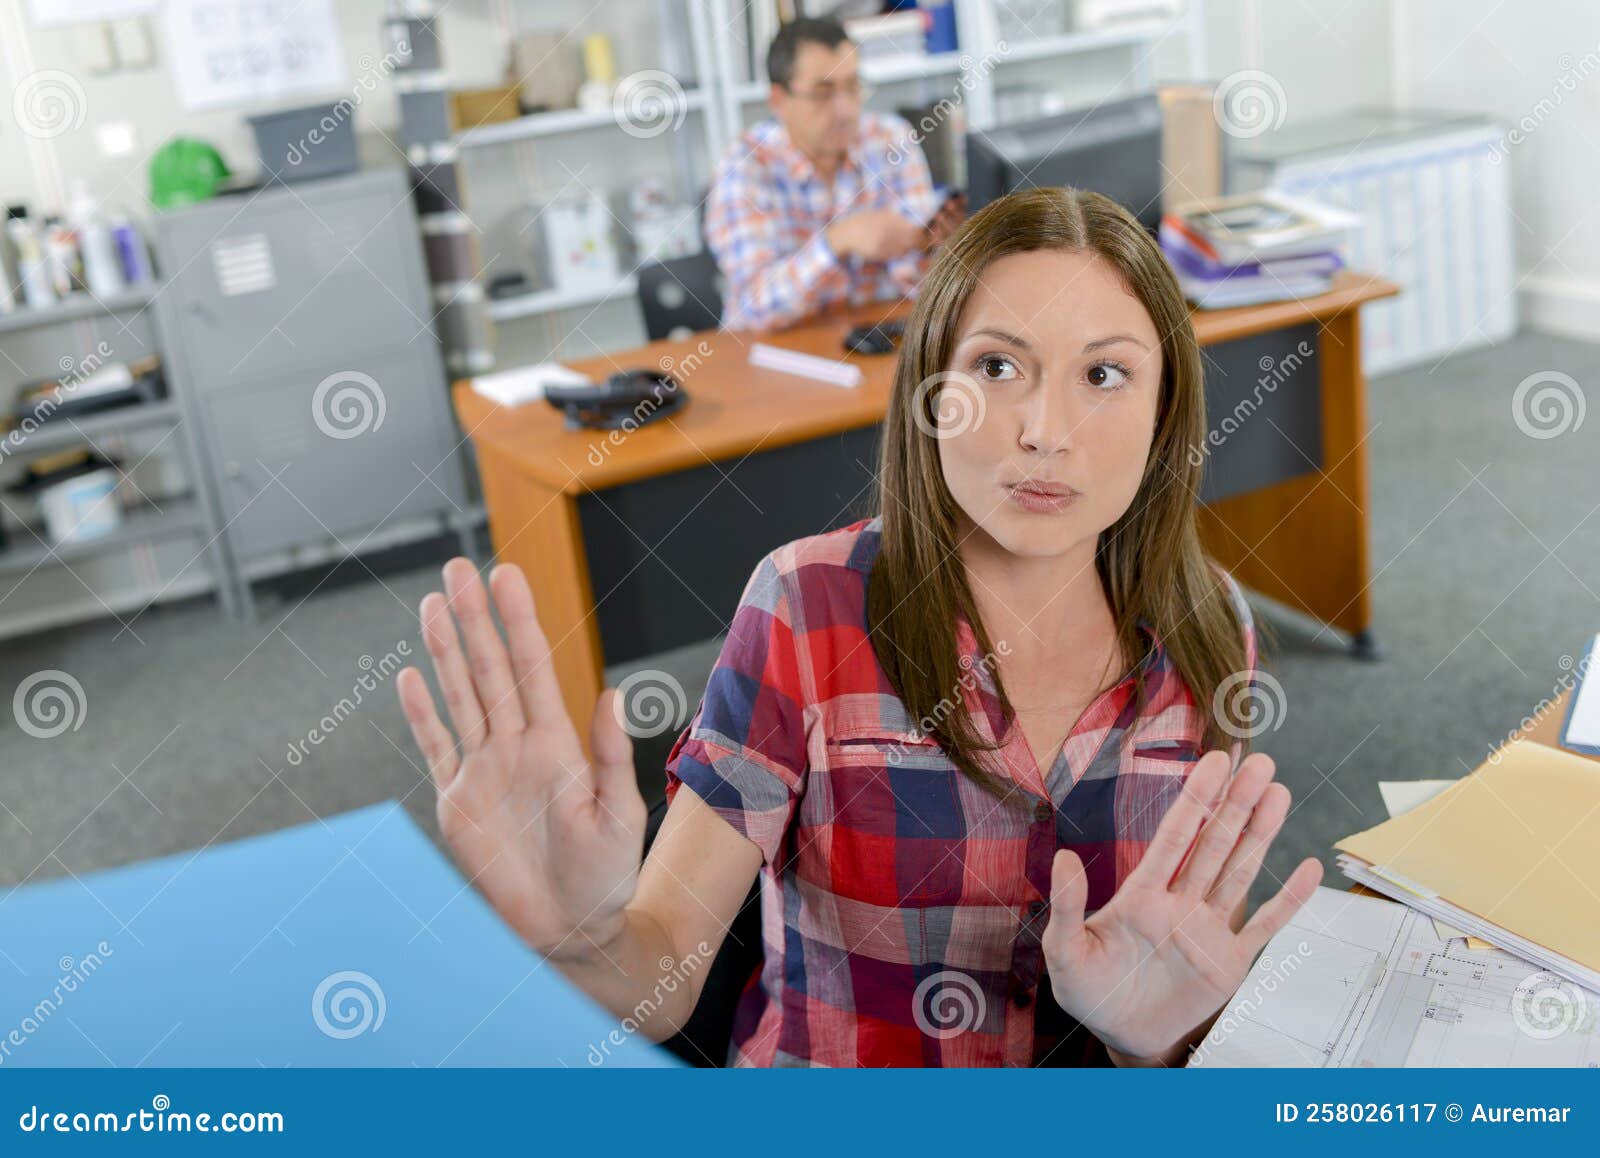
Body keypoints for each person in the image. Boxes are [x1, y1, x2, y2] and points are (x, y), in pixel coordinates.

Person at [396, 186, 1324, 1068]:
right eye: (997, 366)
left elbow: (1175, 973)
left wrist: (1153, 1045)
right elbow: (664, 975)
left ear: (1166, 417)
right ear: (929, 392)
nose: (1047, 429)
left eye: (1105, 374)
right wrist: (586, 939)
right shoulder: (804, 605)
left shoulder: (1207, 623)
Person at [704, 16, 965, 331]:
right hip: (772, 354)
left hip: (870, 341)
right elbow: (757, 309)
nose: (845, 110)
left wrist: (933, 249)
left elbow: (915, 287)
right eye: (822, 93)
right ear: (778, 100)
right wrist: (837, 241)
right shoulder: (745, 165)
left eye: (853, 87)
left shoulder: (890, 139)